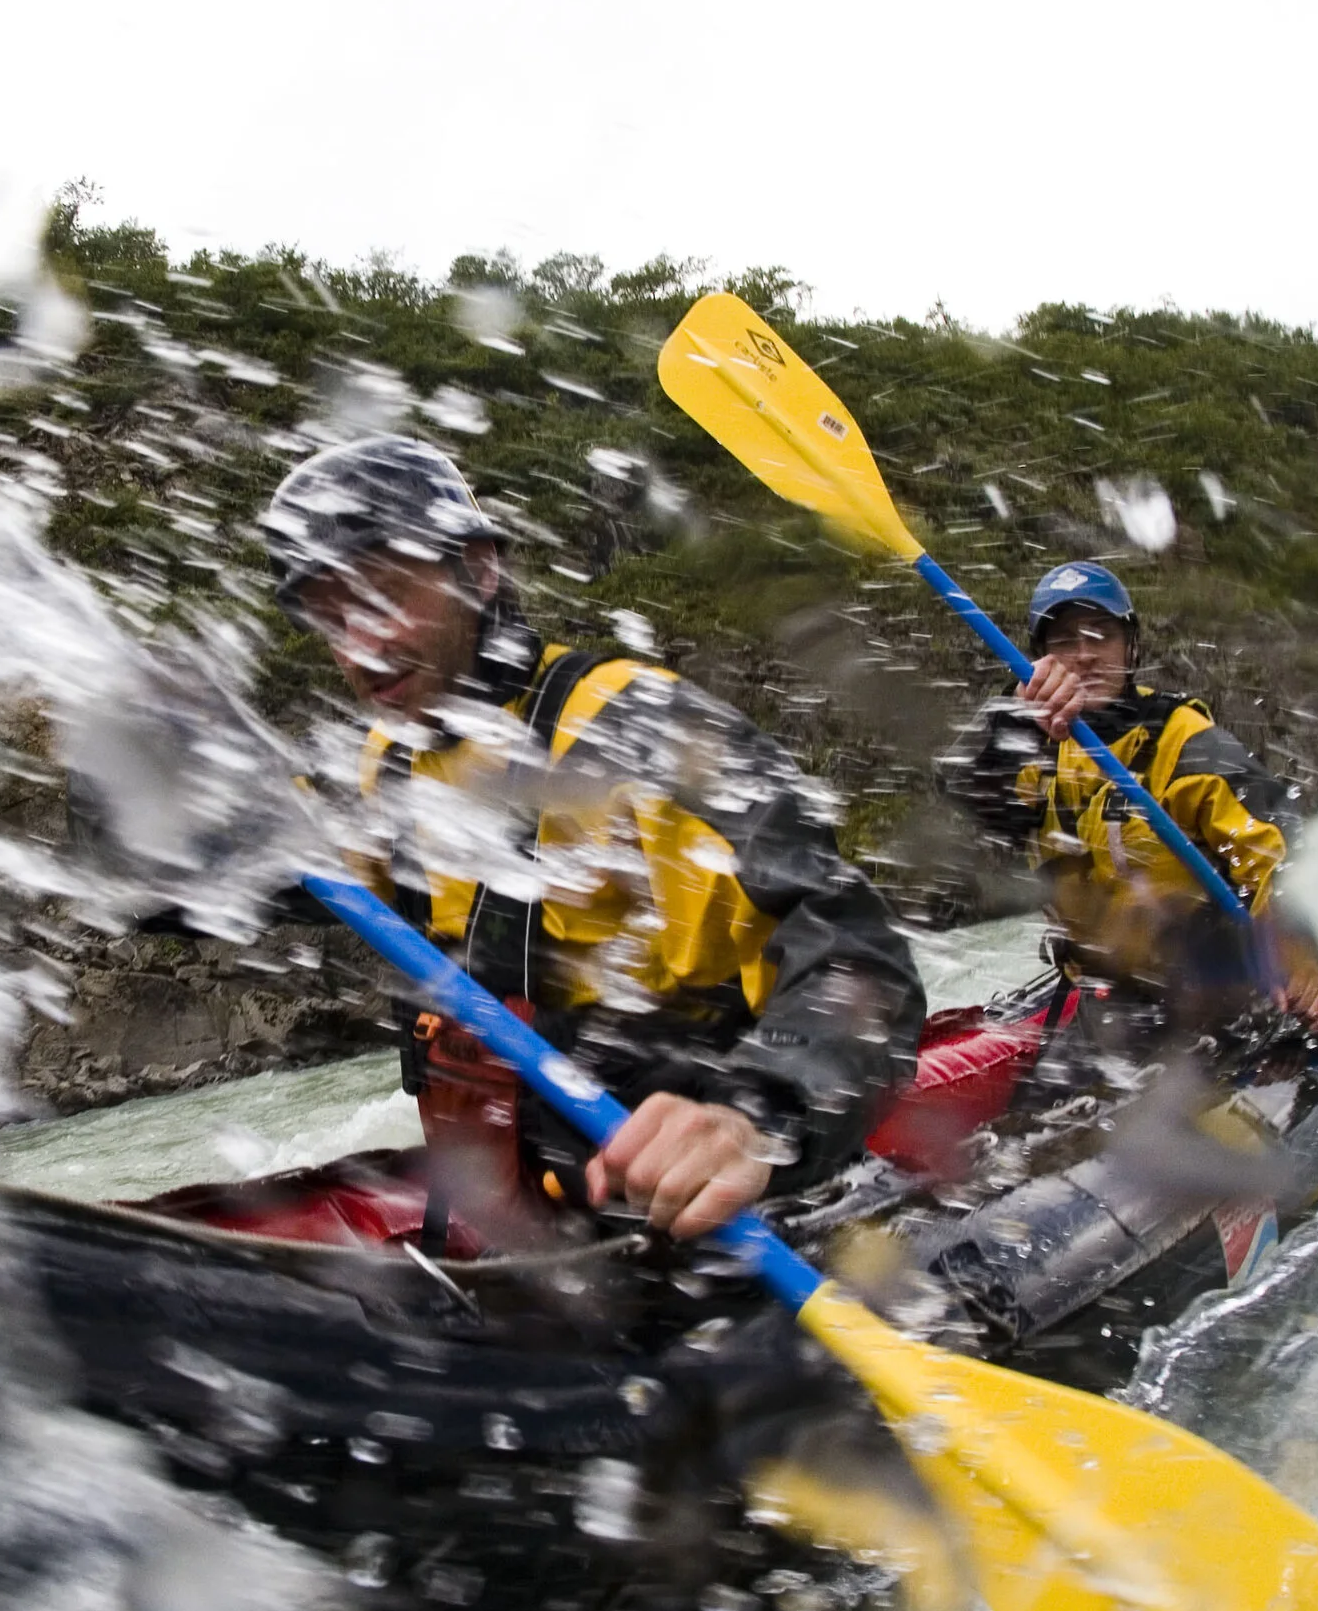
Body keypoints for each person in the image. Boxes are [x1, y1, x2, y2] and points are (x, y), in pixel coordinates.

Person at [262, 437, 925, 1242]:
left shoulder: (643, 733)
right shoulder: (387, 764)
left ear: (478, 571)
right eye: (330, 618)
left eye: (382, 596)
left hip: (725, 1224)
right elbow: (269, 879)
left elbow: (859, 961)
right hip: (533, 1223)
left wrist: (757, 1114)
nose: (358, 648)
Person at [943, 559, 1318, 1028]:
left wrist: (1303, 952)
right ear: (1040, 659)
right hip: (1111, 1001)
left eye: (1100, 635)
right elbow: (961, 788)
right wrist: (1011, 713)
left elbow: (1282, 849)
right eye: (1064, 641)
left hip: (1217, 1001)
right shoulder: (1035, 756)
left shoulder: (1186, 742)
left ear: (1130, 649)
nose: (1084, 655)